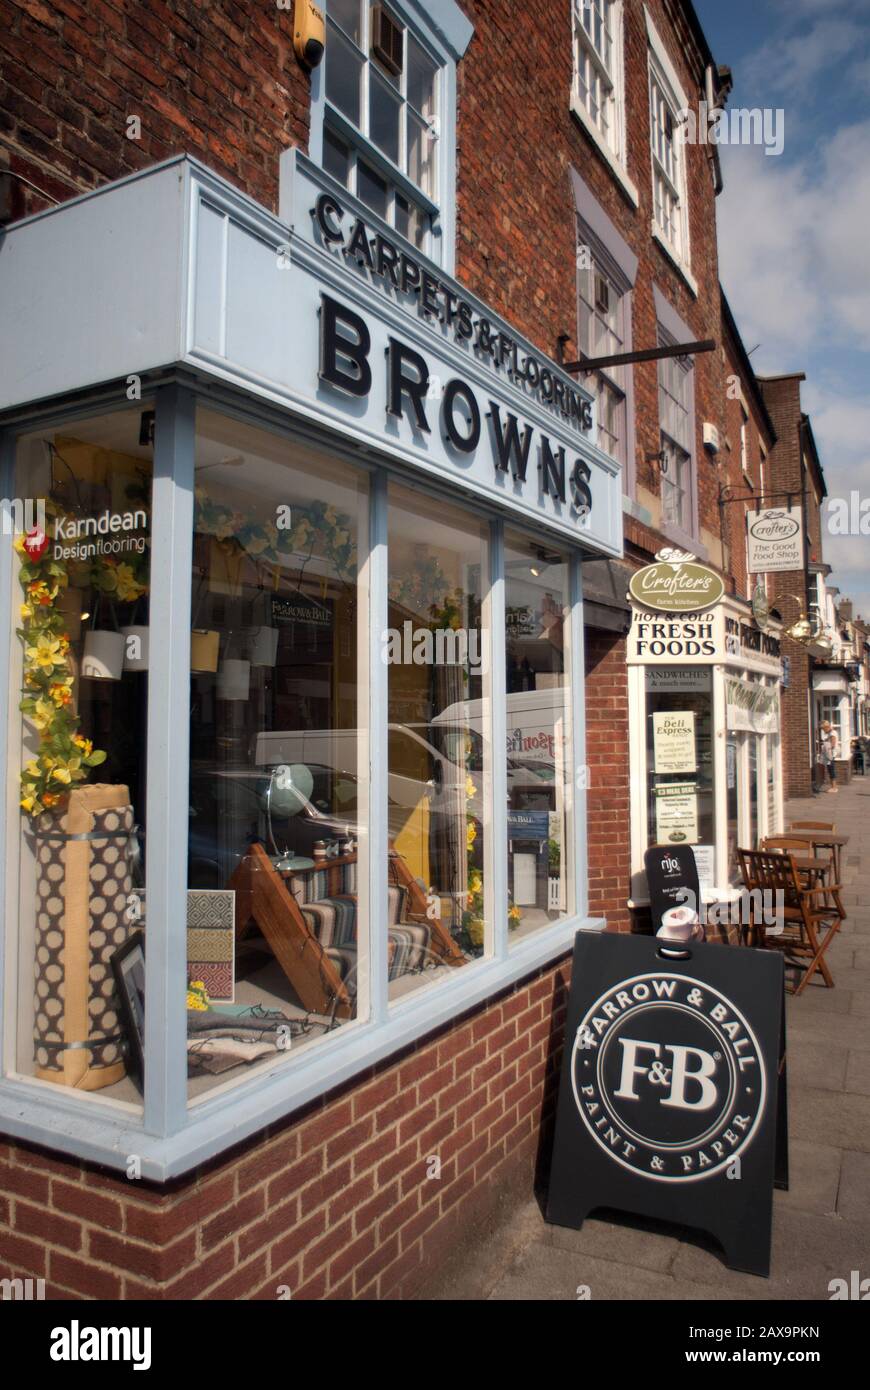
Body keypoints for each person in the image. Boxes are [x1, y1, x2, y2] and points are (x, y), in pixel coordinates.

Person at [820, 720, 839, 794]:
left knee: (831, 770)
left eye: (823, 729)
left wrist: (827, 746)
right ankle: (833, 787)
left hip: (830, 754)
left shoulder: (832, 733)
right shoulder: (831, 733)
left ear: (826, 727)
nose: (823, 730)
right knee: (830, 769)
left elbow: (833, 744)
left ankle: (834, 787)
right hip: (830, 754)